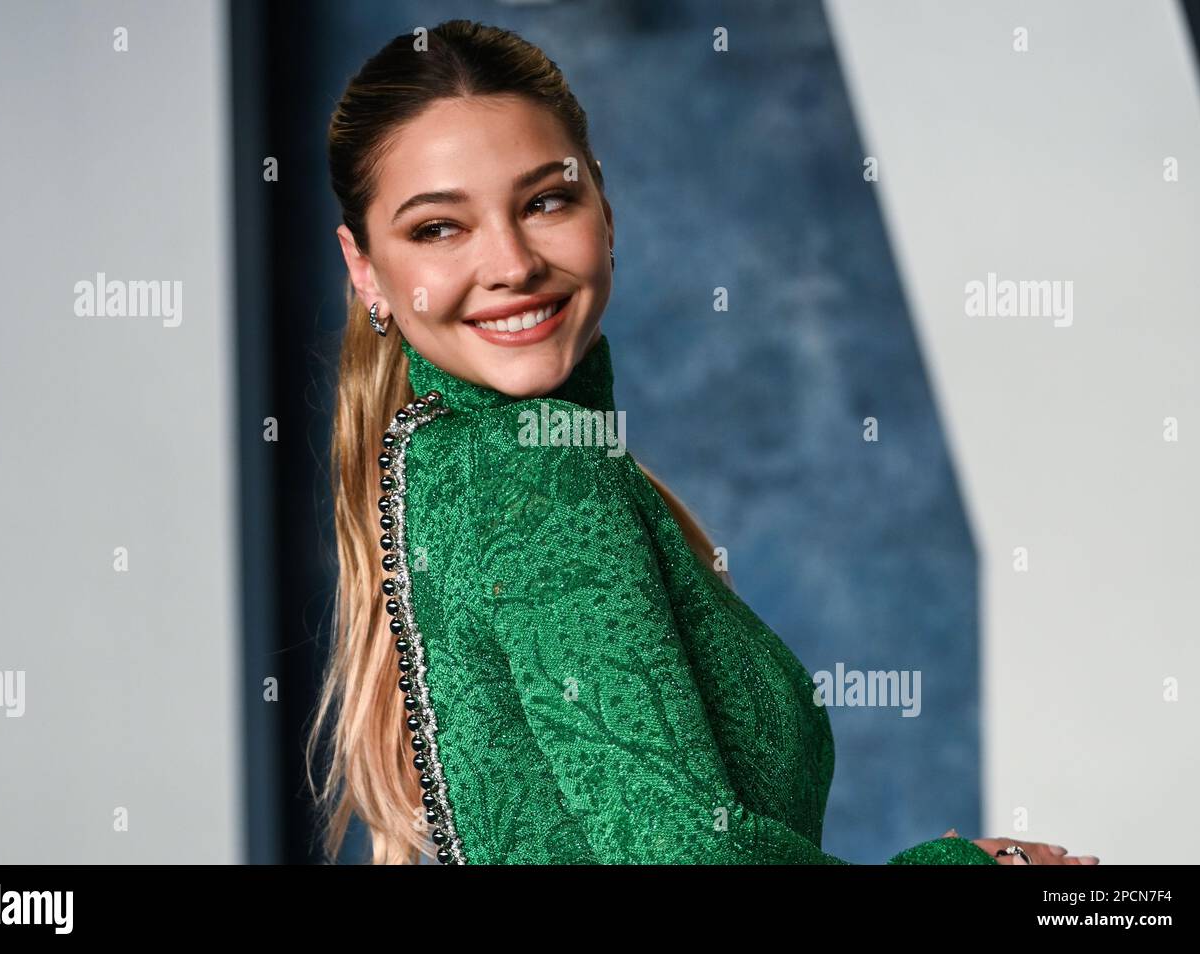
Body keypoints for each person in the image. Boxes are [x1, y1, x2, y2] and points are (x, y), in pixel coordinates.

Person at [306, 18, 1099, 867]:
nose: (511, 263)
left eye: (544, 201)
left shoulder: (455, 459)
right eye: (438, 228)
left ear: (602, 208)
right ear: (364, 268)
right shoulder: (530, 471)